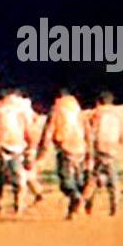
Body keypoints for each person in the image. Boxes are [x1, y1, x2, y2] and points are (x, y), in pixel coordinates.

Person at [37, 88, 88, 219]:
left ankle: (76, 198)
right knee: (78, 180)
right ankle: (74, 211)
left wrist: (41, 154)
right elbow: (87, 128)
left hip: (65, 148)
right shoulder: (76, 108)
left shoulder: (56, 110)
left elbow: (48, 132)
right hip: (81, 147)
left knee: (66, 182)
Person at [0, 89, 37, 215]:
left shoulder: (17, 113)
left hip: (16, 148)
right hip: (4, 148)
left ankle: (18, 205)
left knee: (18, 178)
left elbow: (27, 131)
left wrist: (30, 150)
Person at [83, 90, 123, 216]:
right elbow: (122, 137)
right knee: (113, 180)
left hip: (99, 149)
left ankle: (84, 205)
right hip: (112, 150)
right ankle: (114, 206)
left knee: (92, 180)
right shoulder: (117, 115)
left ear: (98, 101)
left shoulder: (95, 114)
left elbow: (89, 132)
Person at [15, 90, 45, 206]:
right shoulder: (27, 109)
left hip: (25, 142)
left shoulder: (20, 109)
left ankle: (20, 203)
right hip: (28, 141)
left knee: (23, 172)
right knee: (27, 173)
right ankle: (38, 193)